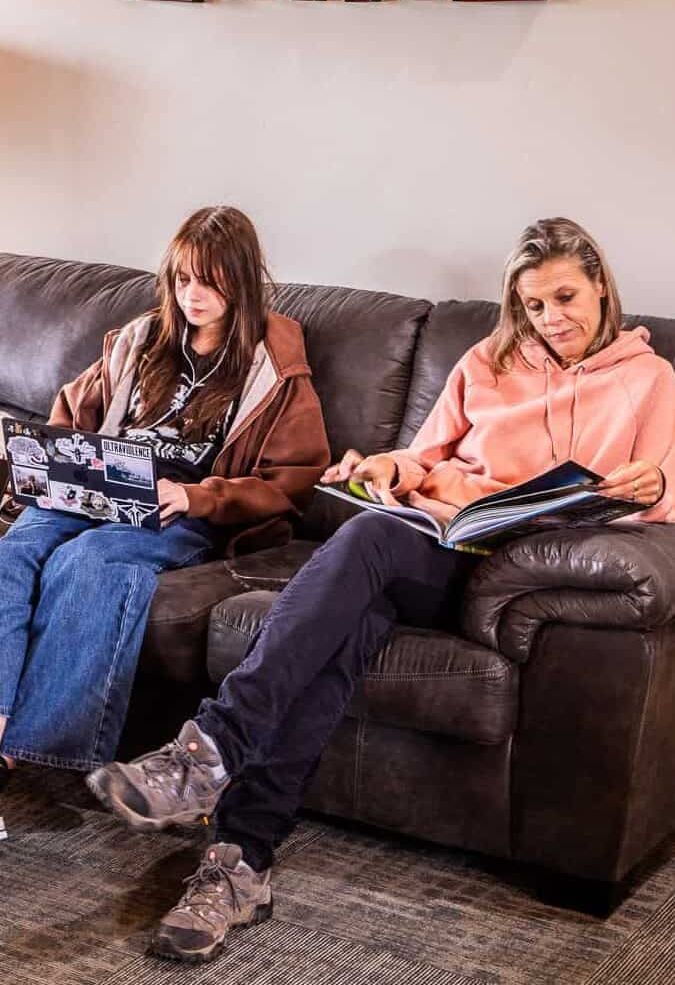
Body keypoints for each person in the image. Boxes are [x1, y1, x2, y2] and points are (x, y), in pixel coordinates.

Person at [88, 217, 675, 965]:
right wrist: (382, 471)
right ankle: (238, 864)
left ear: (600, 287)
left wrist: (655, 485)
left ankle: (213, 748)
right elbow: (420, 457)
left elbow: (655, 492)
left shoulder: (645, 378)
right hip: (434, 544)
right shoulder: (484, 362)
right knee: (348, 617)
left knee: (363, 546)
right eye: (532, 304)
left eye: (564, 296)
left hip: (507, 577)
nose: (550, 317)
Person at [0, 206, 329, 803]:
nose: (192, 294)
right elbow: (71, 417)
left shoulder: (275, 366)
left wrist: (198, 495)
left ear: (242, 278)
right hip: (98, 485)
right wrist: (50, 465)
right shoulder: (139, 341)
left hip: (180, 507)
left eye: (208, 279)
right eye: (182, 279)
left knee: (92, 562)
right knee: (12, 551)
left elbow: (292, 482)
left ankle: (40, 749)